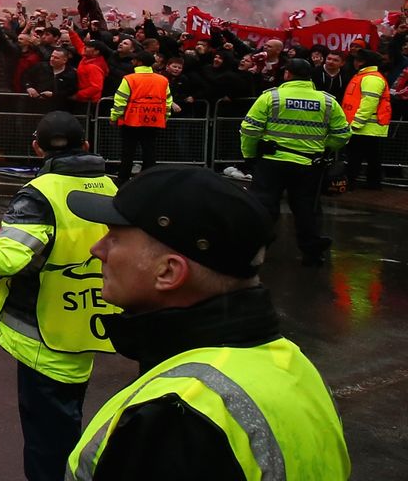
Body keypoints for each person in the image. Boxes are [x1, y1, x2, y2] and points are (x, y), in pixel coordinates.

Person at [64, 168, 350, 480]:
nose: (97, 249)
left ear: (168, 272)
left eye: (115, 238)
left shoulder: (173, 420)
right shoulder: (293, 366)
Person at [0, 111, 120, 481]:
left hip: (44, 332)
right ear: (86, 145)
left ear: (36, 147)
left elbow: (9, 260)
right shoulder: (111, 188)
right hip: (87, 318)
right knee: (67, 423)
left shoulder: (39, 192)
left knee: (46, 444)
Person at [241, 58, 351, 266]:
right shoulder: (327, 101)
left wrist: (249, 155)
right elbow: (343, 134)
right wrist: (325, 149)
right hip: (309, 165)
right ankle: (312, 252)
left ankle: (254, 250)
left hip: (272, 162)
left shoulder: (271, 97)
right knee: (307, 208)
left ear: (287, 74)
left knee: (264, 206)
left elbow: (249, 129)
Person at [110, 49, 178, 184]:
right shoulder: (162, 80)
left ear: (139, 62)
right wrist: (165, 117)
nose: (132, 61)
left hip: (131, 121)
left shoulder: (129, 79)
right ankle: (149, 179)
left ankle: (123, 179)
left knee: (128, 151)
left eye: (134, 60)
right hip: (154, 120)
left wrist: (114, 117)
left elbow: (120, 100)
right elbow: (167, 101)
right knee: (149, 151)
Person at [342, 47, 392, 190]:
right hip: (367, 126)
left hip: (364, 126)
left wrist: (356, 123)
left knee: (356, 157)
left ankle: (352, 183)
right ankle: (372, 184)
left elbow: (368, 103)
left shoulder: (370, 78)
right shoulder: (368, 76)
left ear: (362, 62)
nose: (354, 62)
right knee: (370, 157)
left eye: (356, 59)